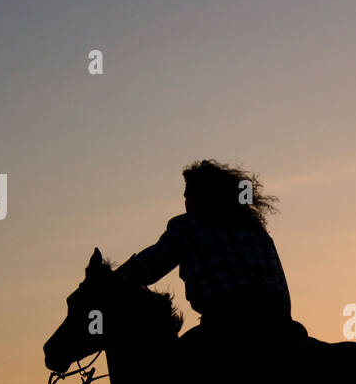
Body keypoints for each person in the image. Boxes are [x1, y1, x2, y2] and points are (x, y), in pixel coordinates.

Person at [117, 159, 305, 372]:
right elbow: (284, 290)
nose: (186, 202)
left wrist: (110, 279)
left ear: (206, 196)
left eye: (190, 195)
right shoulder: (256, 231)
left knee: (168, 371)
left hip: (225, 328)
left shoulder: (189, 226)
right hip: (279, 326)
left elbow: (146, 269)